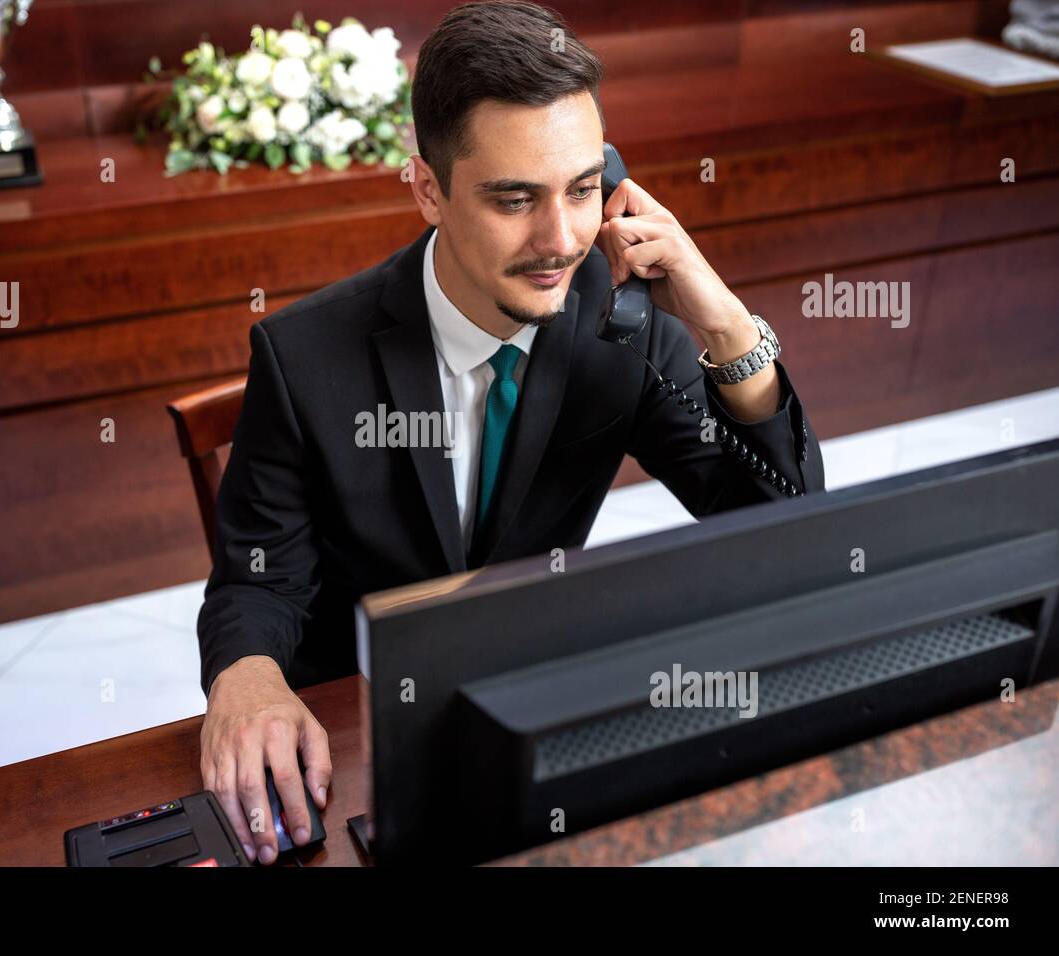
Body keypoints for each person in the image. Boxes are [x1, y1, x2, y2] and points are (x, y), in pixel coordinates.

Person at [196, 1, 826, 864]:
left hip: (534, 712)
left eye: (582, 188)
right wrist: (247, 679)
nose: (560, 239)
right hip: (356, 738)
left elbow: (783, 530)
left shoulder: (621, 322)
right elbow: (256, 582)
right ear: (428, 190)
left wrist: (722, 322)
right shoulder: (305, 357)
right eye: (513, 199)